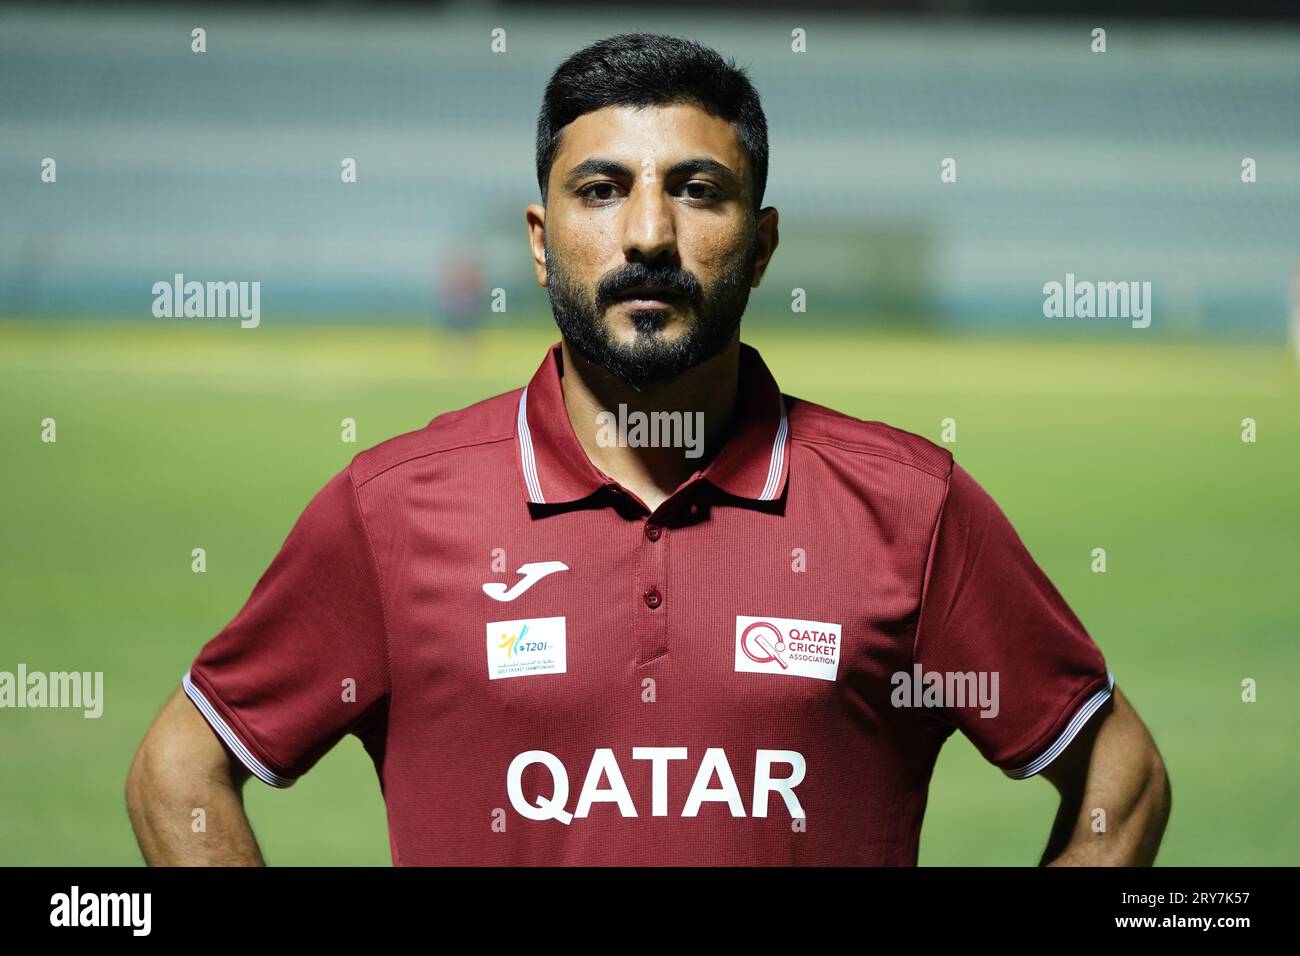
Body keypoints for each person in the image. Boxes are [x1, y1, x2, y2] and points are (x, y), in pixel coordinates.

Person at [127, 33, 1170, 866]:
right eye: (600, 189)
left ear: (760, 246)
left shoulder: (910, 506)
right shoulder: (394, 508)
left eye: (697, 189)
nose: (647, 236)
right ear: (540, 238)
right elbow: (179, 765)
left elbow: (1116, 774)